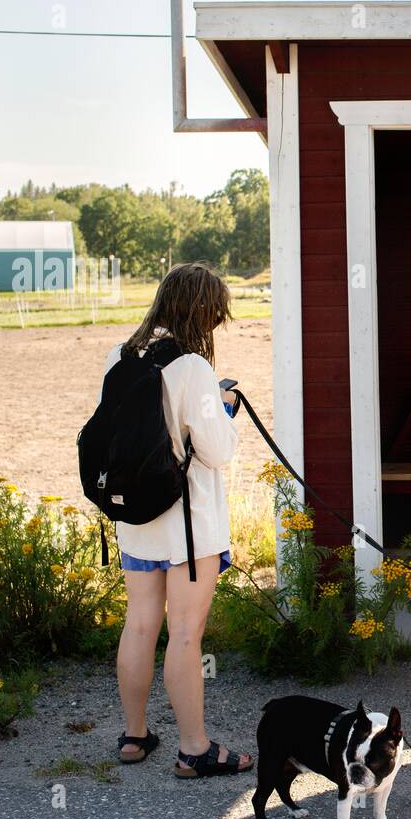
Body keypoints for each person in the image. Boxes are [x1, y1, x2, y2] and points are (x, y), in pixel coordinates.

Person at [105, 263, 252, 777]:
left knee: (140, 622)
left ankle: (134, 735)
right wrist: (225, 407)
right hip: (188, 525)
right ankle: (194, 748)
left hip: (134, 517)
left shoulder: (120, 355)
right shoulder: (193, 368)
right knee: (186, 633)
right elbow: (217, 451)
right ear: (203, 314)